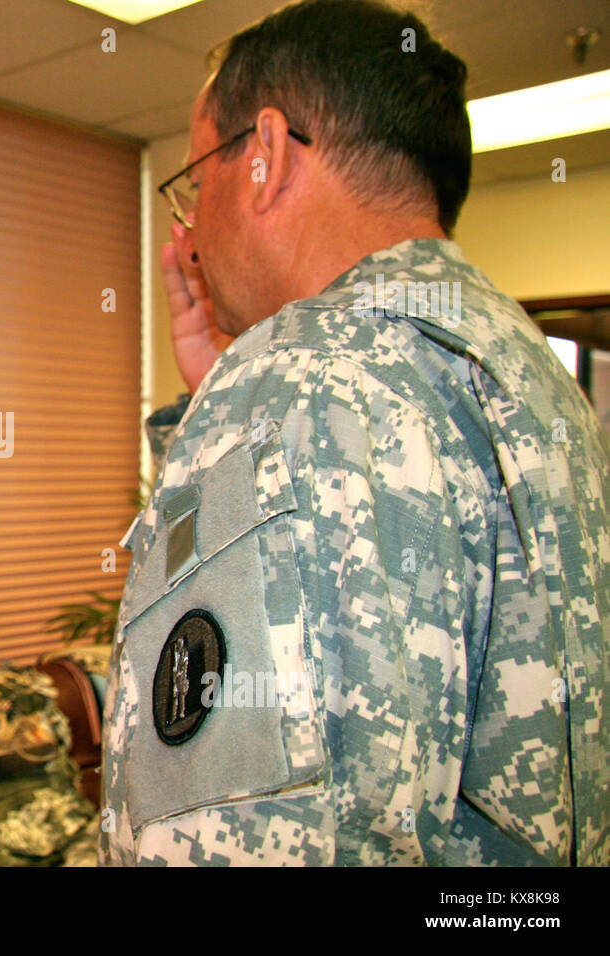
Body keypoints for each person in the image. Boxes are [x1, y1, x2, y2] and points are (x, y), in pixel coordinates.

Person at [101, 0, 610, 866]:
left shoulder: (300, 373)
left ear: (262, 157)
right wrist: (213, 407)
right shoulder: (529, 370)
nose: (188, 229)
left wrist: (250, 400)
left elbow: (233, 836)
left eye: (196, 179)